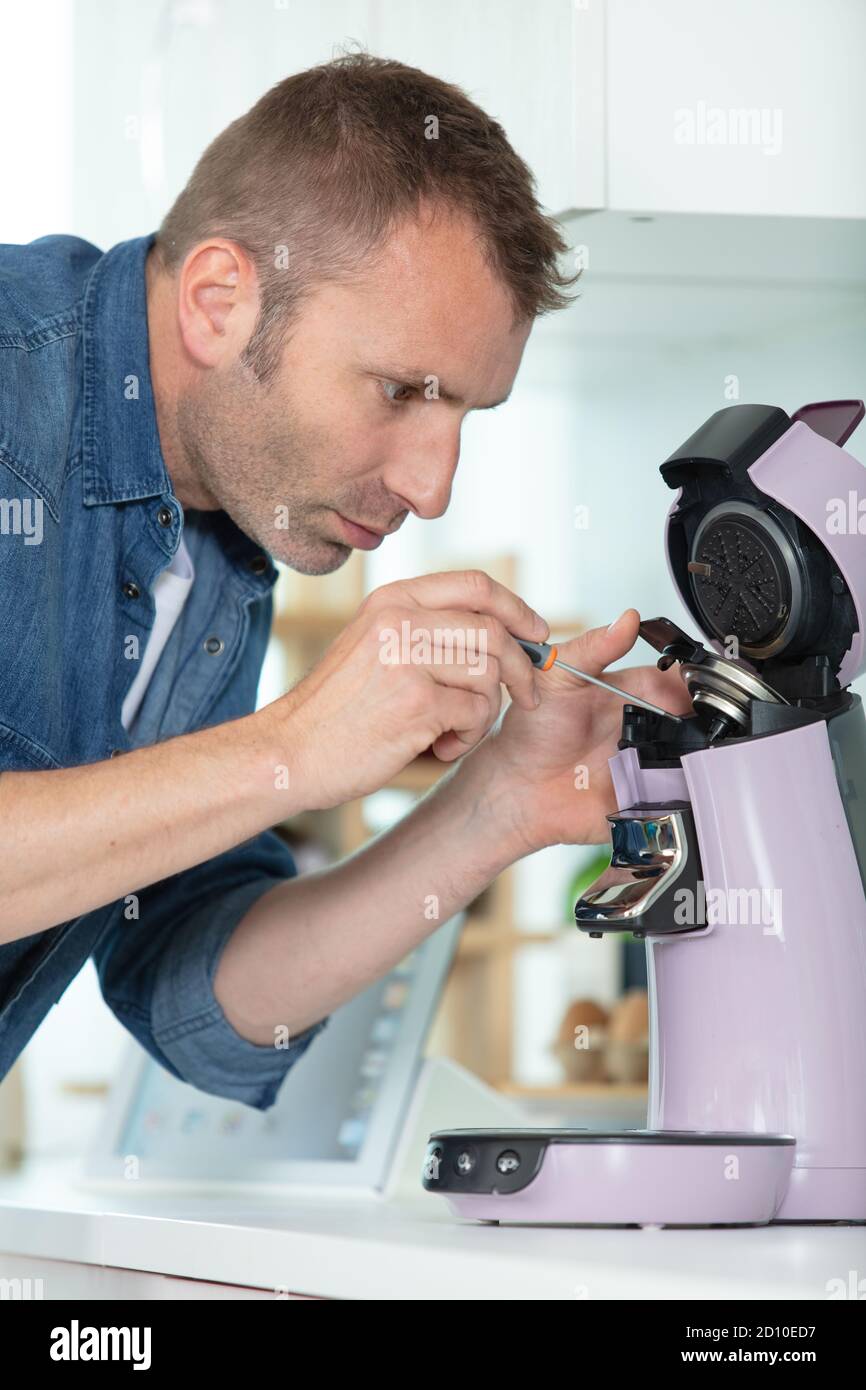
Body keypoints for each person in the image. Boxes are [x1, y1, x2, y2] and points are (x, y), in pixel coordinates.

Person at [0, 54, 688, 1108]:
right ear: (219, 302)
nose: (431, 487)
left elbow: (205, 1015)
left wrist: (498, 803)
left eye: (465, 414)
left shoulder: (222, 538)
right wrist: (290, 748)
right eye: (399, 391)